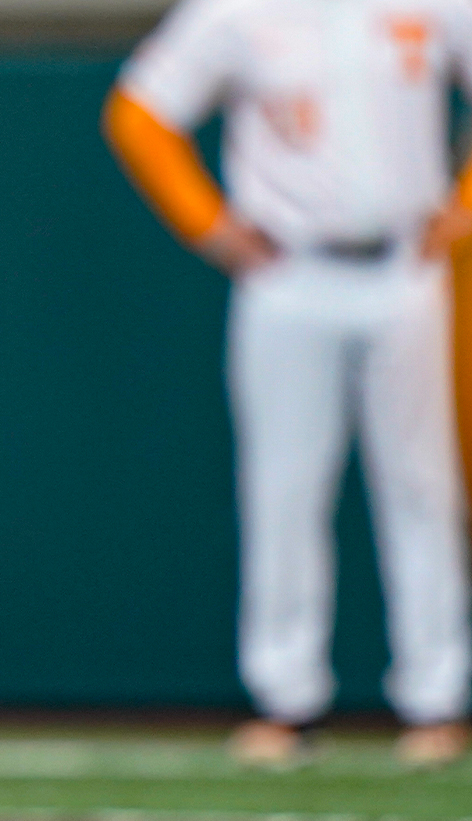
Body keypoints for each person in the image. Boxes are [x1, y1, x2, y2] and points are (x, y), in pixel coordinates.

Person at [105, 0, 472, 767]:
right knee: (284, 488)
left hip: (406, 266)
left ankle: (436, 700)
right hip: (289, 270)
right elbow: (139, 111)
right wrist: (208, 223)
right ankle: (286, 697)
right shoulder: (235, 11)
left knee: (422, 487)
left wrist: (465, 207)